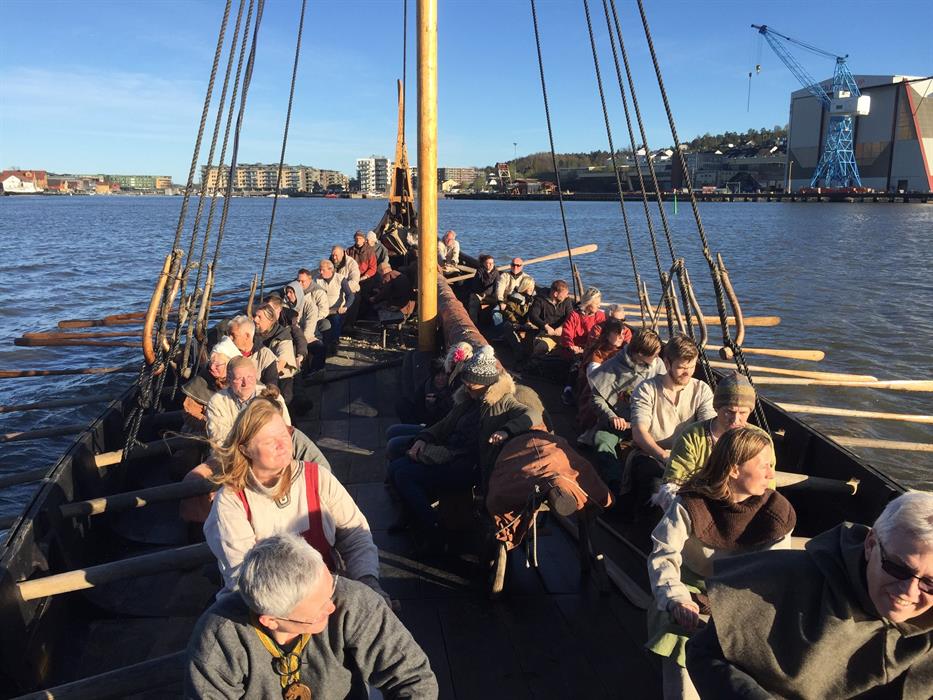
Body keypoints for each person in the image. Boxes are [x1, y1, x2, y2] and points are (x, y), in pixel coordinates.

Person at [687, 490, 933, 700]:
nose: (909, 592)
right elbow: (704, 653)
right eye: (897, 568)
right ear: (870, 545)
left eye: (930, 583)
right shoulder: (789, 577)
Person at [186, 533, 438, 699]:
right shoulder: (220, 638)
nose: (332, 606)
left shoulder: (352, 601)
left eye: (329, 586)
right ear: (270, 620)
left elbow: (414, 679)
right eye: (317, 612)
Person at [648, 428, 795, 700]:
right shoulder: (690, 503)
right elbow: (663, 554)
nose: (772, 475)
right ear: (734, 470)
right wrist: (677, 599)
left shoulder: (777, 513)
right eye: (764, 466)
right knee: (678, 635)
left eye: (772, 466)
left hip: (746, 597)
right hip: (690, 587)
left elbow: (774, 576)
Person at [204, 398, 387, 601]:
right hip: (270, 605)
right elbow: (243, 577)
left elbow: (355, 535)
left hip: (328, 593)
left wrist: (367, 581)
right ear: (244, 449)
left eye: (284, 435)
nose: (282, 445)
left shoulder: (317, 478)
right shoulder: (232, 503)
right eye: (268, 441)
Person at [388, 346, 543, 548]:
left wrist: (507, 430)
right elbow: (445, 424)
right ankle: (412, 515)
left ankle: (435, 528)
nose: (467, 389)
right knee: (396, 467)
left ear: (485, 384)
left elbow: (532, 414)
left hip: (469, 465)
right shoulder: (468, 399)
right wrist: (423, 438)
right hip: (453, 452)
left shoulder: (502, 402)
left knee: (403, 474)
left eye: (471, 386)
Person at [657, 372, 772, 510]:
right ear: (716, 408)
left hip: (745, 508)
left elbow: (768, 485)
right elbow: (672, 484)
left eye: (742, 413)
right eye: (729, 411)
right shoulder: (692, 436)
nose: (735, 420)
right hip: (700, 505)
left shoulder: (761, 440)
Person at [628, 335, 715, 504]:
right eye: (682, 367)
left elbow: (709, 427)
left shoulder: (702, 390)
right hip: (652, 454)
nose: (688, 373)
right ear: (667, 363)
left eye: (692, 366)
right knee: (654, 483)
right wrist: (663, 456)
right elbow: (639, 433)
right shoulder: (647, 389)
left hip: (689, 457)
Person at [587, 329, 664, 490]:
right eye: (652, 356)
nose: (655, 360)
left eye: (657, 355)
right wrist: (610, 416)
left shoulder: (658, 367)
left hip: (649, 423)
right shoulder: (613, 365)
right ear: (639, 353)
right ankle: (615, 484)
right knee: (602, 440)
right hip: (620, 423)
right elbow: (596, 398)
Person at [205, 356, 290, 445]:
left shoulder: (272, 396)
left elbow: (286, 431)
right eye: (239, 379)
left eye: (250, 377)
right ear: (229, 379)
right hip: (232, 455)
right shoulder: (217, 402)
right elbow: (220, 440)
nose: (245, 383)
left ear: (255, 374)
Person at [253, 303, 298, 404]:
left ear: (270, 320)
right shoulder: (253, 335)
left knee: (283, 399)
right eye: (255, 316)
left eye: (259, 317)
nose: (255, 320)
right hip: (257, 374)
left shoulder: (282, 335)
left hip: (280, 376)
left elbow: (280, 363)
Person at [227, 314, 279, 388]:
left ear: (247, 336)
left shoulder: (266, 356)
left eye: (233, 335)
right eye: (228, 334)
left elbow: (271, 386)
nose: (229, 338)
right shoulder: (226, 351)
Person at [525, 279, 573, 355]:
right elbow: (533, 316)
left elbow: (570, 316)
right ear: (556, 294)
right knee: (541, 348)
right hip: (547, 332)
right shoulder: (540, 299)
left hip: (562, 332)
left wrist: (562, 327)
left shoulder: (566, 300)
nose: (566, 296)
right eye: (564, 294)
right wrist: (546, 326)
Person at [560, 287, 606, 359]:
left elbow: (600, 336)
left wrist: (587, 348)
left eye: (599, 303)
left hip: (591, 349)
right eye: (596, 303)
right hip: (574, 348)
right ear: (588, 302)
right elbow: (567, 333)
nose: (599, 306)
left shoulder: (600, 316)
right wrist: (571, 346)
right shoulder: (574, 315)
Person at [493, 257, 534, 328]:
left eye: (518, 265)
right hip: (505, 301)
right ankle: (500, 330)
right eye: (513, 265)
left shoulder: (527, 277)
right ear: (510, 265)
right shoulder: (504, 276)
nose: (515, 267)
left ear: (522, 266)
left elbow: (531, 292)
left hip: (521, 303)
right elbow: (500, 289)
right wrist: (500, 302)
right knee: (495, 312)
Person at [467, 254, 499, 325]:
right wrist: (482, 295)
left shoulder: (496, 272)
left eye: (491, 263)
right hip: (479, 293)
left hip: (490, 295)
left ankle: (491, 323)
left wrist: (493, 297)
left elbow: (496, 286)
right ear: (484, 264)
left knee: (496, 304)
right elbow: (476, 285)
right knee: (473, 303)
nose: (489, 265)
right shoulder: (480, 271)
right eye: (487, 263)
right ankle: (473, 323)